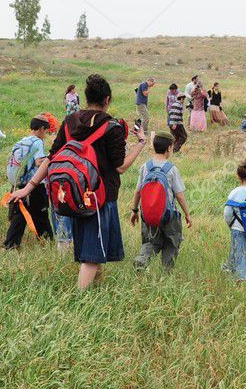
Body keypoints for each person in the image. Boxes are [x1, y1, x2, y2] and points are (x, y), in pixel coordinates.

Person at [11, 74, 147, 290]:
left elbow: (51, 158)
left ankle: (97, 294)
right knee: (91, 257)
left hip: (72, 195)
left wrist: (29, 187)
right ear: (107, 99)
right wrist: (141, 144)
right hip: (99, 198)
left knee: (94, 251)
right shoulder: (112, 126)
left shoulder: (69, 122)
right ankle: (79, 301)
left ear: (85, 98)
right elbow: (120, 166)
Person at [130, 133, 193, 269]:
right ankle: (166, 271)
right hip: (169, 214)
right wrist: (187, 214)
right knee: (171, 242)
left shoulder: (145, 167)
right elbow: (179, 195)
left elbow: (138, 191)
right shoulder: (172, 169)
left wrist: (134, 210)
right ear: (169, 148)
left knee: (150, 242)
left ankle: (142, 259)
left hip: (149, 214)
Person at [4, 116, 54, 249]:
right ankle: (48, 243)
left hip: (19, 185)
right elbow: (38, 163)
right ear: (42, 128)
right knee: (41, 215)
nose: (46, 134)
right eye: (46, 131)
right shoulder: (37, 142)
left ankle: (10, 244)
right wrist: (51, 160)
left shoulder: (21, 141)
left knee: (20, 216)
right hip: (34, 186)